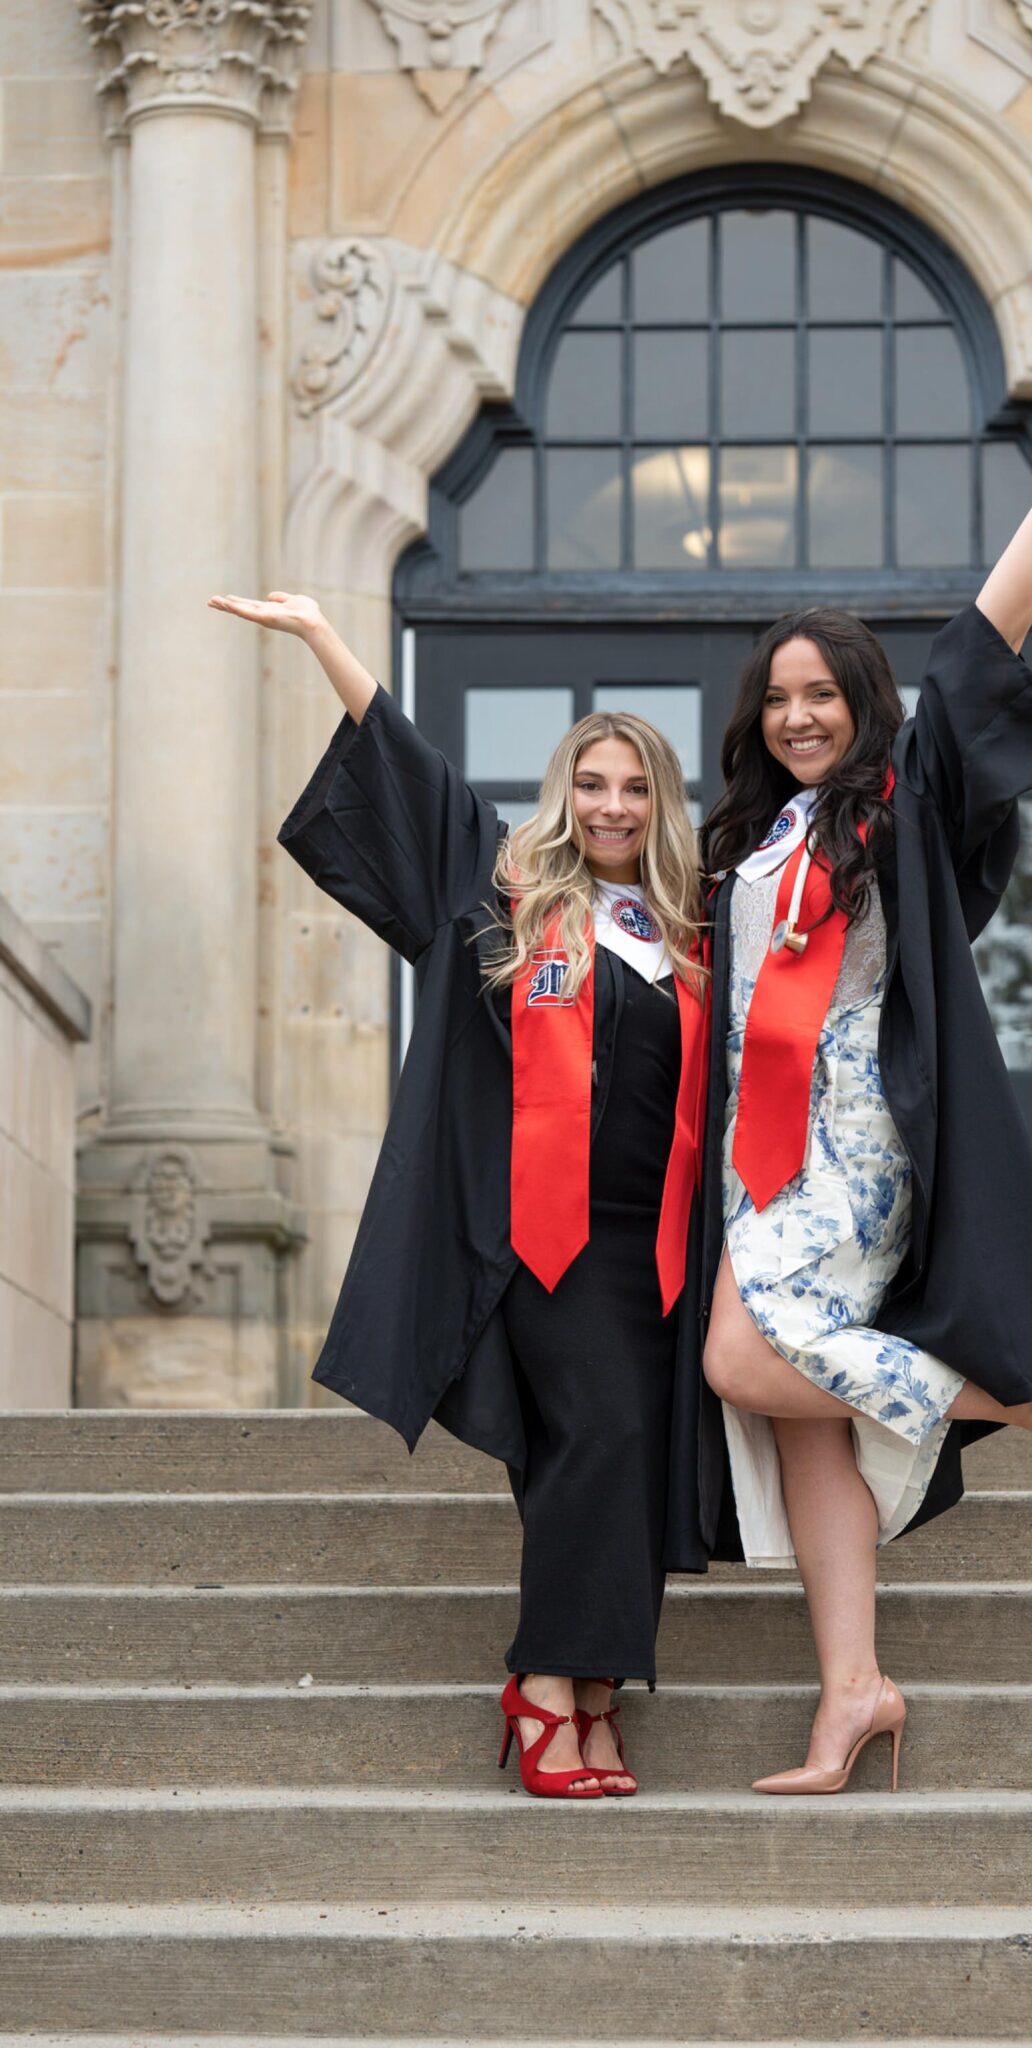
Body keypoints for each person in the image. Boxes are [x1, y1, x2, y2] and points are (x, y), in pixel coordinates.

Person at [697, 425, 1032, 1795]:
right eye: (778, 698)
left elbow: (977, 655)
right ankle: (852, 1693)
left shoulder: (891, 804)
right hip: (754, 1154)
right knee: (797, 1422)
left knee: (742, 1359)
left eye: (823, 696)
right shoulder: (754, 837)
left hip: (847, 1140)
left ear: (862, 705)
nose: (799, 717)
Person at [208, 589, 713, 1800]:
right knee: (601, 1432)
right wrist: (331, 640)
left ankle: (594, 1693)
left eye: (634, 788)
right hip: (544, 1239)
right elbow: (417, 778)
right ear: (564, 794)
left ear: (662, 806)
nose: (610, 806)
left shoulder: (689, 932)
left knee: (626, 1455)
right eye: (591, 783)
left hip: (663, 1243)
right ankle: (545, 1685)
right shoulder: (510, 903)